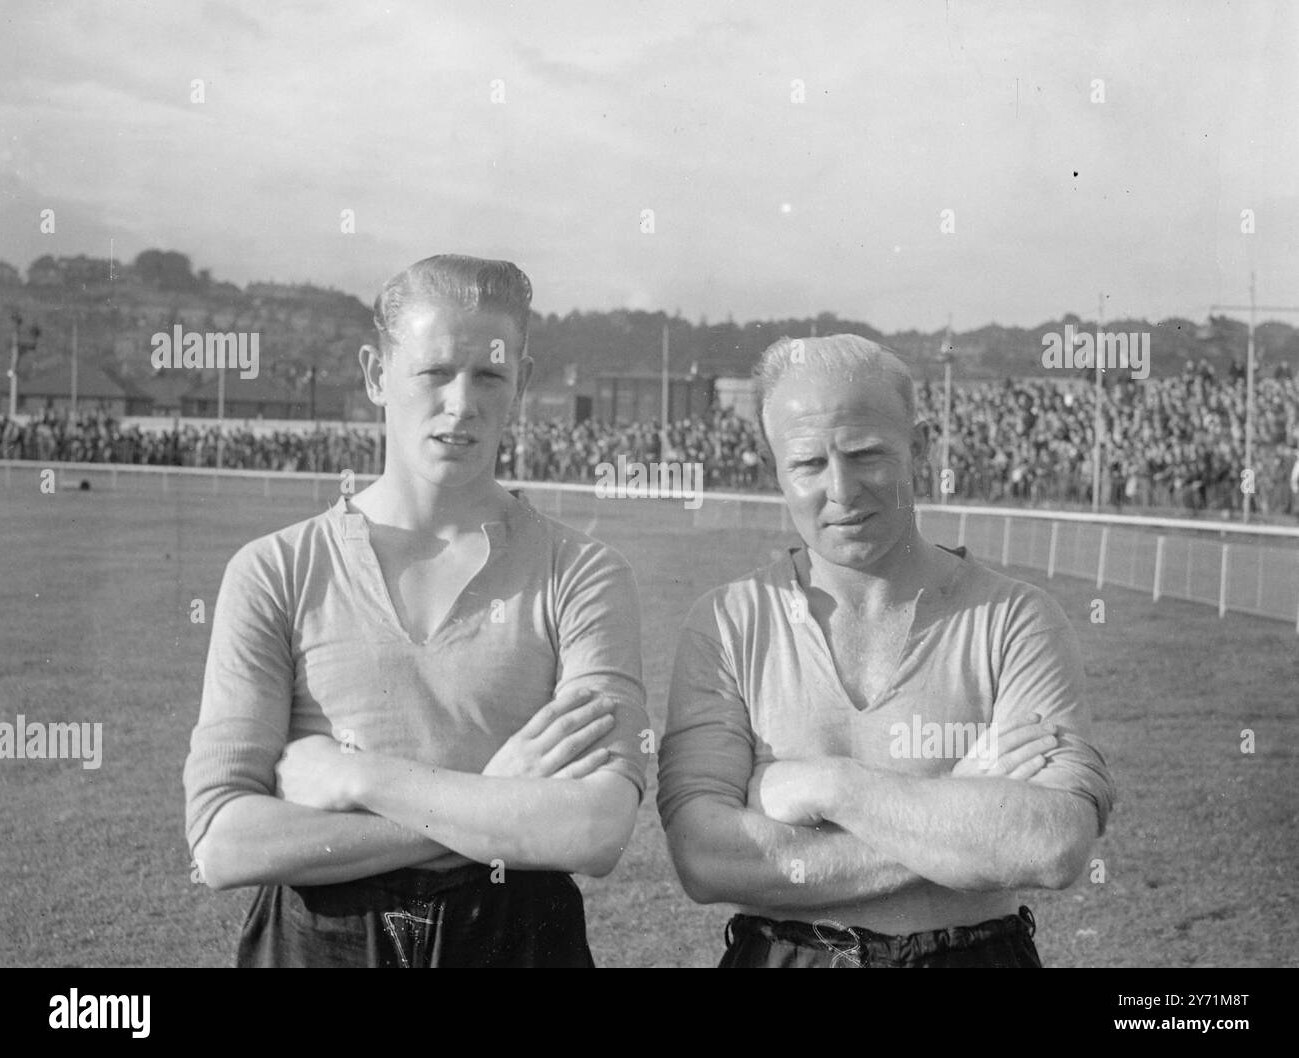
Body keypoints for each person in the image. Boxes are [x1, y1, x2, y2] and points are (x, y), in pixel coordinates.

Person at [183, 254, 649, 967]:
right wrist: (493, 799)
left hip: (514, 934)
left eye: (489, 375)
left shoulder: (582, 575)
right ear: (377, 375)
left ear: (522, 383)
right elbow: (224, 840)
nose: (461, 403)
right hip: (316, 940)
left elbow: (593, 829)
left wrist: (360, 779)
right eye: (434, 371)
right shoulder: (274, 570)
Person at [657, 334, 1116, 968]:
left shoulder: (1017, 619)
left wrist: (827, 786)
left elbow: (1051, 844)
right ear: (776, 471)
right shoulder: (729, 622)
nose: (841, 490)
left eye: (866, 454)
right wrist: (961, 812)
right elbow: (706, 859)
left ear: (919, 450)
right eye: (808, 465)